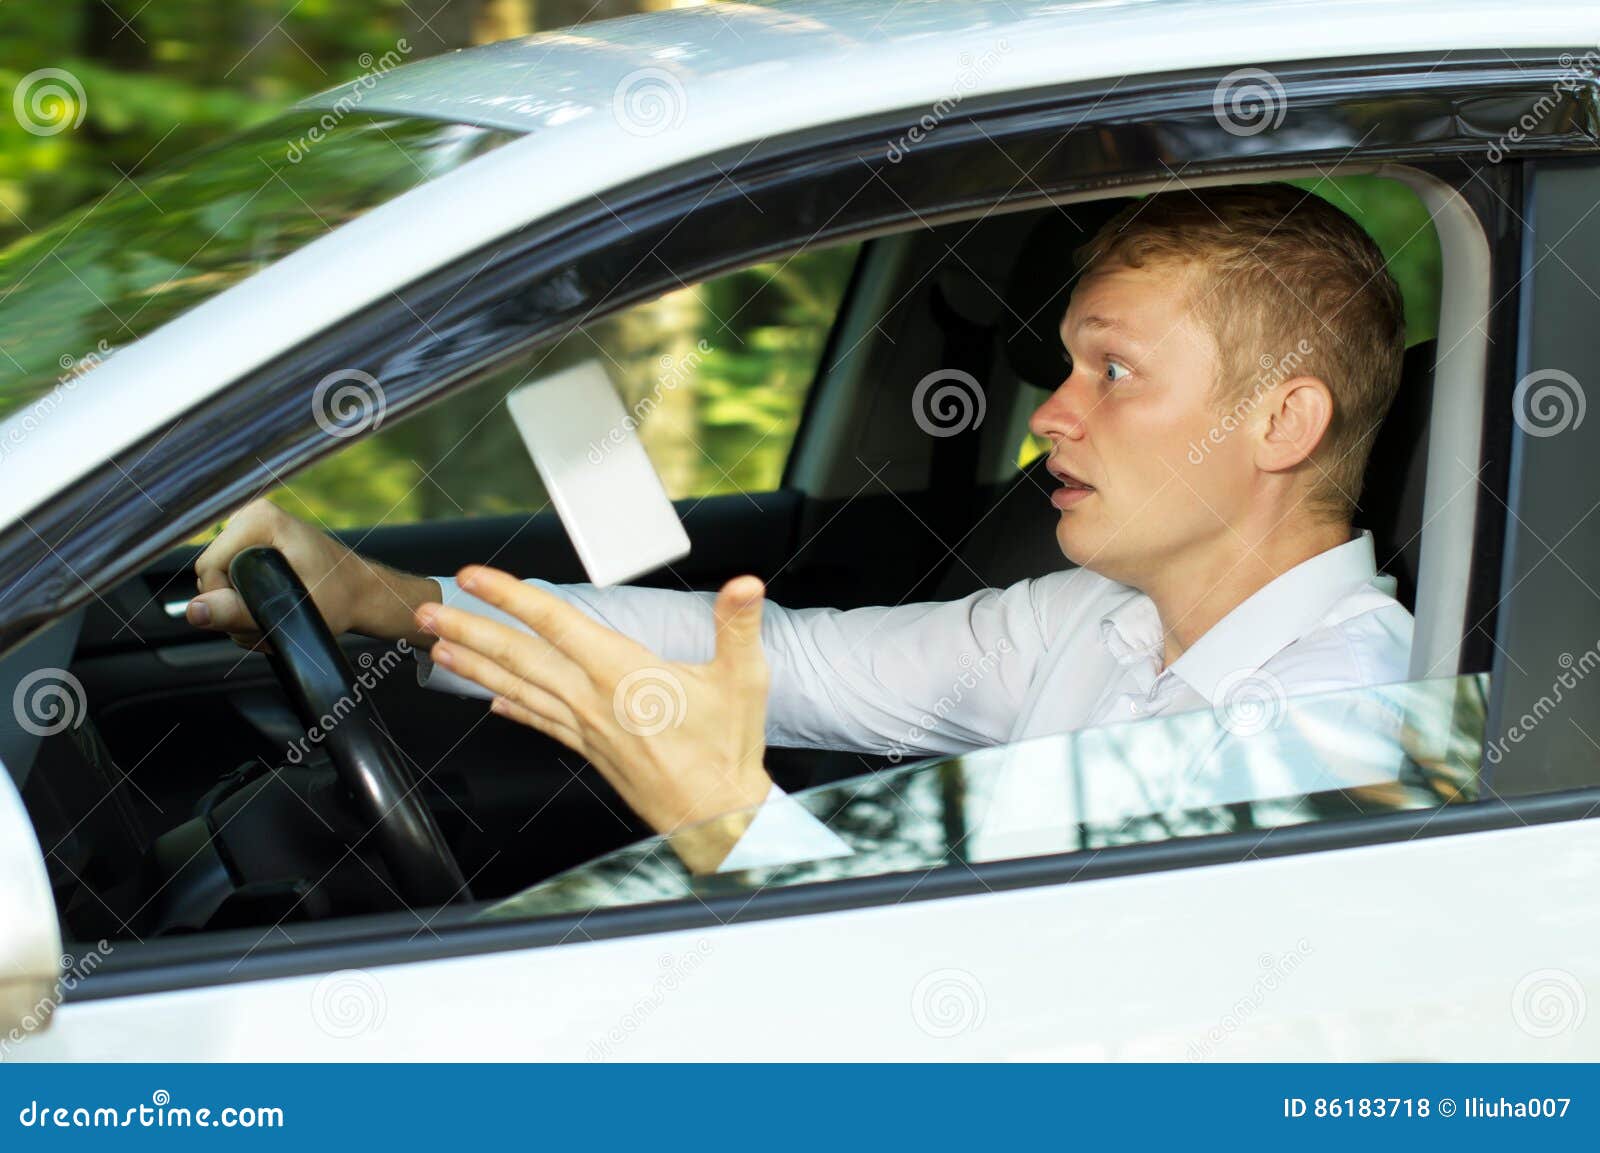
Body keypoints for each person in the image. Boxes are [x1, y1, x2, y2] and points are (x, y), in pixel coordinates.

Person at [188, 183, 1412, 876]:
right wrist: (366, 593)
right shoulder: (1092, 622)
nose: (1050, 416)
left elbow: (1032, 1051)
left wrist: (731, 819)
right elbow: (780, 660)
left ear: (1279, 420)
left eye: (1113, 372)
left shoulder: (1341, 723)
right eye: (1062, 368)